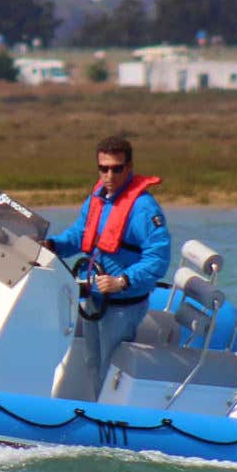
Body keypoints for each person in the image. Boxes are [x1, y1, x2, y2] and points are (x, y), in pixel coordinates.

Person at [43, 133, 171, 390]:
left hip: (122, 304)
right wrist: (54, 245)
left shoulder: (144, 209)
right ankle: (96, 410)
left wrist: (122, 281)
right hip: (94, 298)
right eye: (104, 169)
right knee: (93, 362)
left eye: (116, 169)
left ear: (129, 168)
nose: (109, 176)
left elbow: (158, 258)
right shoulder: (98, 199)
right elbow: (80, 234)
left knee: (110, 369)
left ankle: (111, 415)